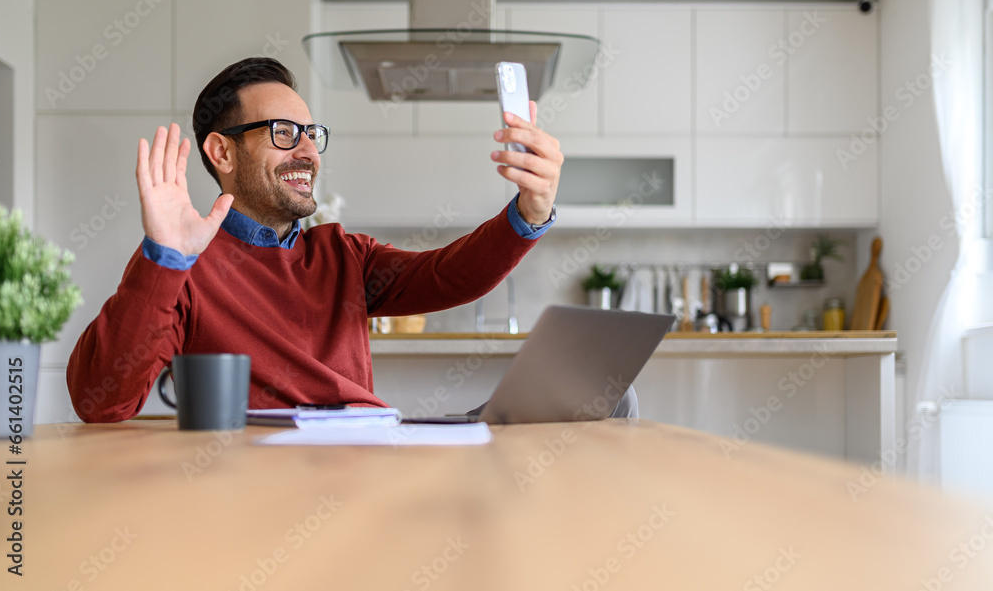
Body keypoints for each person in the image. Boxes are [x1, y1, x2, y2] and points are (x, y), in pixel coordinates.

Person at [66, 57, 636, 422]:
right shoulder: (182, 268)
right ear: (222, 152)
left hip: (371, 461)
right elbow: (101, 399)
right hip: (262, 489)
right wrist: (163, 258)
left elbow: (451, 275)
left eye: (312, 135)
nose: (308, 152)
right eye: (284, 134)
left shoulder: (341, 254)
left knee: (608, 400)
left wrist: (530, 211)